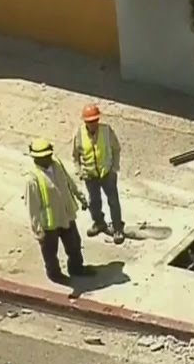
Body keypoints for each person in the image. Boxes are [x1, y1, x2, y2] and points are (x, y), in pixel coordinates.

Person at [25, 138, 90, 283]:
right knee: (50, 252)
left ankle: (76, 268)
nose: (48, 159)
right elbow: (32, 207)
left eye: (49, 155)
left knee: (74, 244)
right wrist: (37, 230)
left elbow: (68, 182)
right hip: (49, 223)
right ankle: (54, 274)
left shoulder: (57, 164)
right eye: (44, 157)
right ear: (36, 158)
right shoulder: (32, 179)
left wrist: (80, 197)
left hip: (66, 215)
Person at [71, 104, 125, 244]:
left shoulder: (106, 131)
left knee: (113, 201)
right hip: (90, 176)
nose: (93, 124)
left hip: (107, 174)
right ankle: (99, 222)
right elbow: (75, 156)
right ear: (85, 122)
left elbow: (116, 149)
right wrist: (80, 172)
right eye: (90, 121)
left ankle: (117, 228)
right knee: (94, 202)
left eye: (95, 120)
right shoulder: (79, 134)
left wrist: (114, 169)